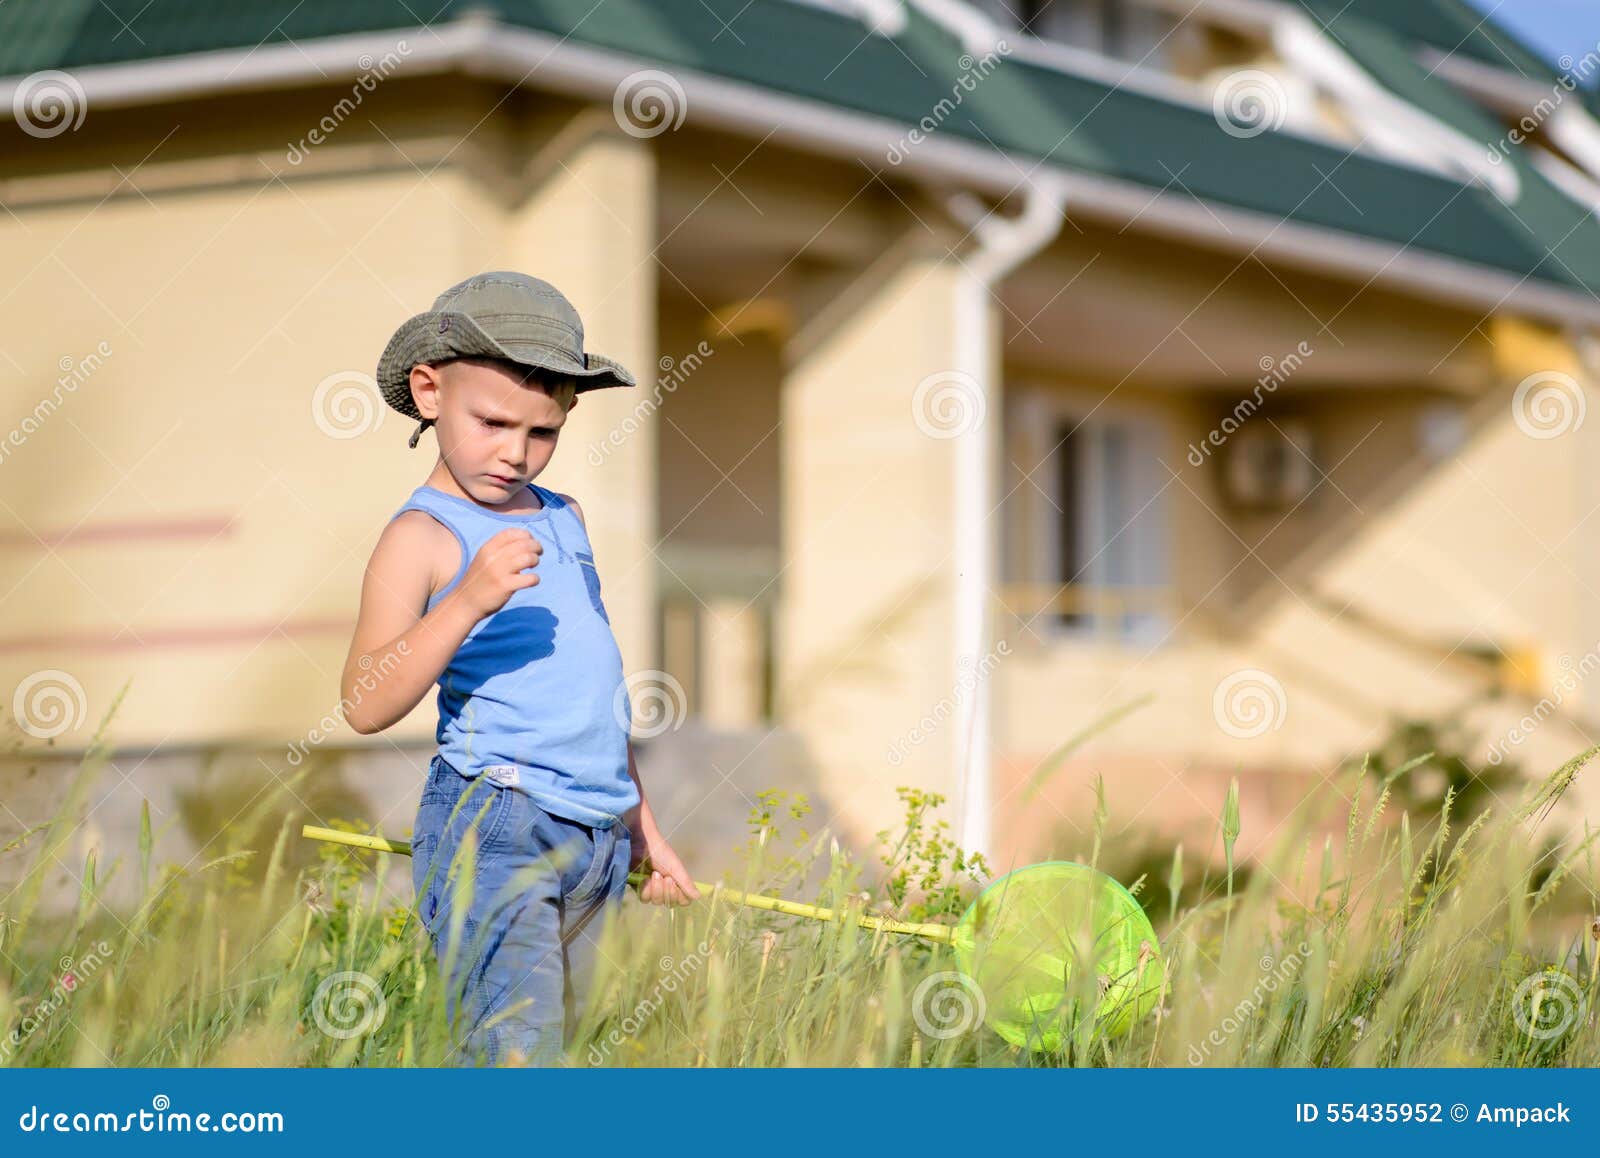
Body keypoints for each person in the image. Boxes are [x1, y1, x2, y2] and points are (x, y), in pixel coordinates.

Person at [339, 271, 699, 1066]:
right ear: (429, 391)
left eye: (543, 432)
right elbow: (363, 704)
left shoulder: (563, 517)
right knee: (513, 1056)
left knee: (567, 1054)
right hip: (498, 823)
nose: (516, 452)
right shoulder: (423, 536)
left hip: (596, 834)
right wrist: (465, 601)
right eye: (493, 422)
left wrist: (642, 825)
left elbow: (591, 686)